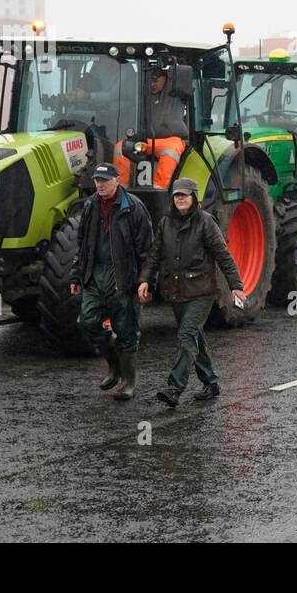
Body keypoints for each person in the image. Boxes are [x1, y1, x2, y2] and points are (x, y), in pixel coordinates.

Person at [138, 178, 247, 408]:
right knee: (195, 336)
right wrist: (145, 280)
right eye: (177, 195)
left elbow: (223, 256)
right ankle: (210, 381)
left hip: (202, 292)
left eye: (184, 195)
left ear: (194, 198)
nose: (180, 199)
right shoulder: (165, 222)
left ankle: (175, 387)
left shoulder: (206, 223)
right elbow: (155, 254)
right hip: (176, 292)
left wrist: (236, 285)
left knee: (186, 334)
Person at [70, 163, 154, 401]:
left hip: (123, 276)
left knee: (126, 329)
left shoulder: (134, 208)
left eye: (105, 181)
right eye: (97, 180)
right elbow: (83, 245)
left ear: (117, 180)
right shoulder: (89, 206)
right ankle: (115, 365)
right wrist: (77, 275)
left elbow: (147, 250)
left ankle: (128, 381)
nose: (100, 185)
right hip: (95, 273)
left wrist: (146, 282)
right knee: (87, 322)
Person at [114, 67, 189, 190]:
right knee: (121, 147)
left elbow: (177, 76)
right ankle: (121, 190)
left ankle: (159, 190)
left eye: (155, 80)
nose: (152, 84)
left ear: (166, 78)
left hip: (171, 140)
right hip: (146, 141)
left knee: (171, 150)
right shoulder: (142, 95)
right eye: (149, 80)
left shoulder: (174, 93)